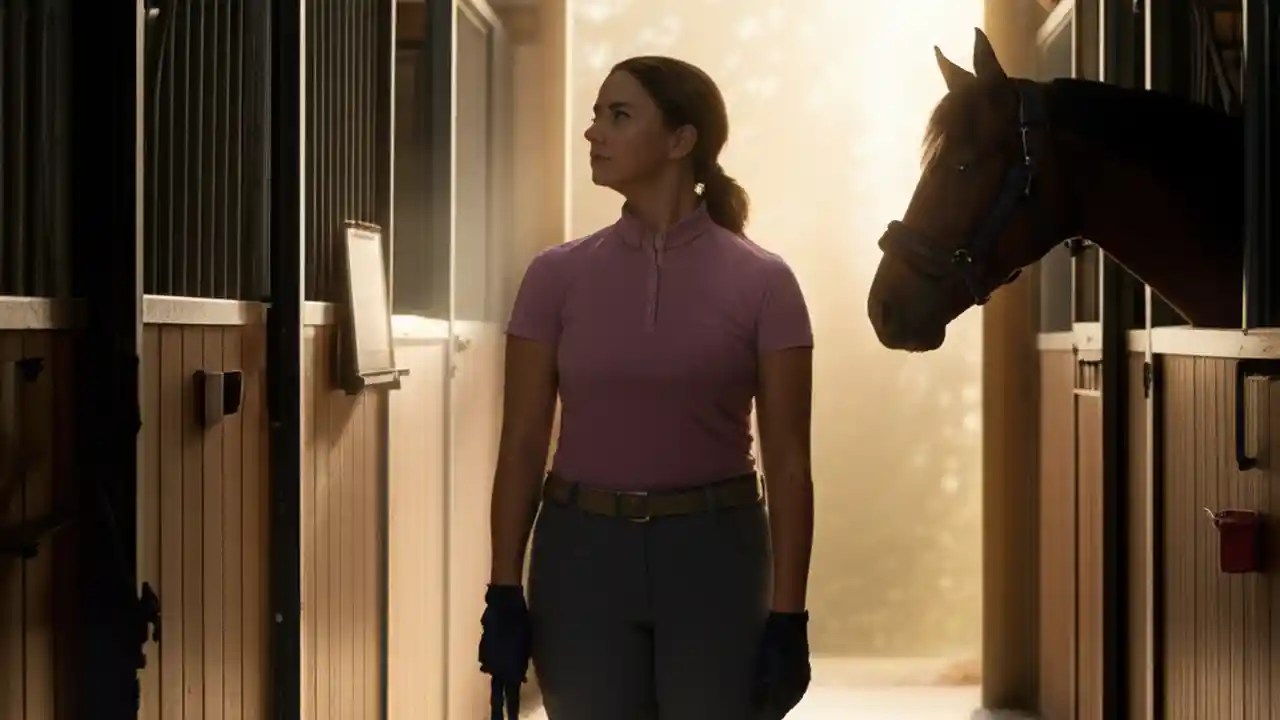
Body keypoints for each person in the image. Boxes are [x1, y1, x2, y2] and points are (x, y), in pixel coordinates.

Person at [478, 54, 815, 720]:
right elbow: (520, 443)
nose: (593, 132)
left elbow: (789, 463)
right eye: (596, 115)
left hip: (717, 555)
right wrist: (503, 590)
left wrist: (789, 615)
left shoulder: (766, 283)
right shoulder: (555, 277)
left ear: (681, 141)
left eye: (619, 115)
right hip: (582, 556)